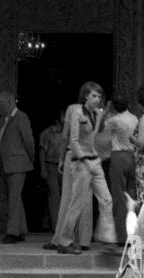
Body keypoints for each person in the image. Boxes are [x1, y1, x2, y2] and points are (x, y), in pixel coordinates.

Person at [47, 81, 115, 253]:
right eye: (94, 96)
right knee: (77, 203)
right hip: (81, 160)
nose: (97, 99)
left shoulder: (98, 113)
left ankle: (106, 237)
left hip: (95, 160)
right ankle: (64, 241)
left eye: (99, 96)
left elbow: (98, 133)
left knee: (107, 199)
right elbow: (72, 140)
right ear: (86, 96)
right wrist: (80, 159)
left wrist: (105, 113)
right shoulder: (76, 111)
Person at [0, 91, 34, 242]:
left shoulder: (21, 117)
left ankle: (12, 233)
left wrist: (31, 157)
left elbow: (28, 140)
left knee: (14, 198)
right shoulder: (8, 119)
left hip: (17, 163)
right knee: (15, 198)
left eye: (2, 104)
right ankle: (21, 229)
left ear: (9, 103)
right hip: (8, 163)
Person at [104, 95, 139, 234]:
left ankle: (121, 235)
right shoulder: (135, 118)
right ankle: (133, 232)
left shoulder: (114, 120)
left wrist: (106, 110)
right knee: (131, 195)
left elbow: (99, 127)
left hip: (118, 156)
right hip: (132, 156)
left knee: (118, 196)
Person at [39, 108, 66, 231]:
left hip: (65, 167)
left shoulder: (68, 132)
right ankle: (56, 226)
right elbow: (42, 151)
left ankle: (65, 226)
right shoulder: (47, 133)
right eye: (63, 115)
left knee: (65, 196)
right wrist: (43, 169)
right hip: (51, 166)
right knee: (54, 196)